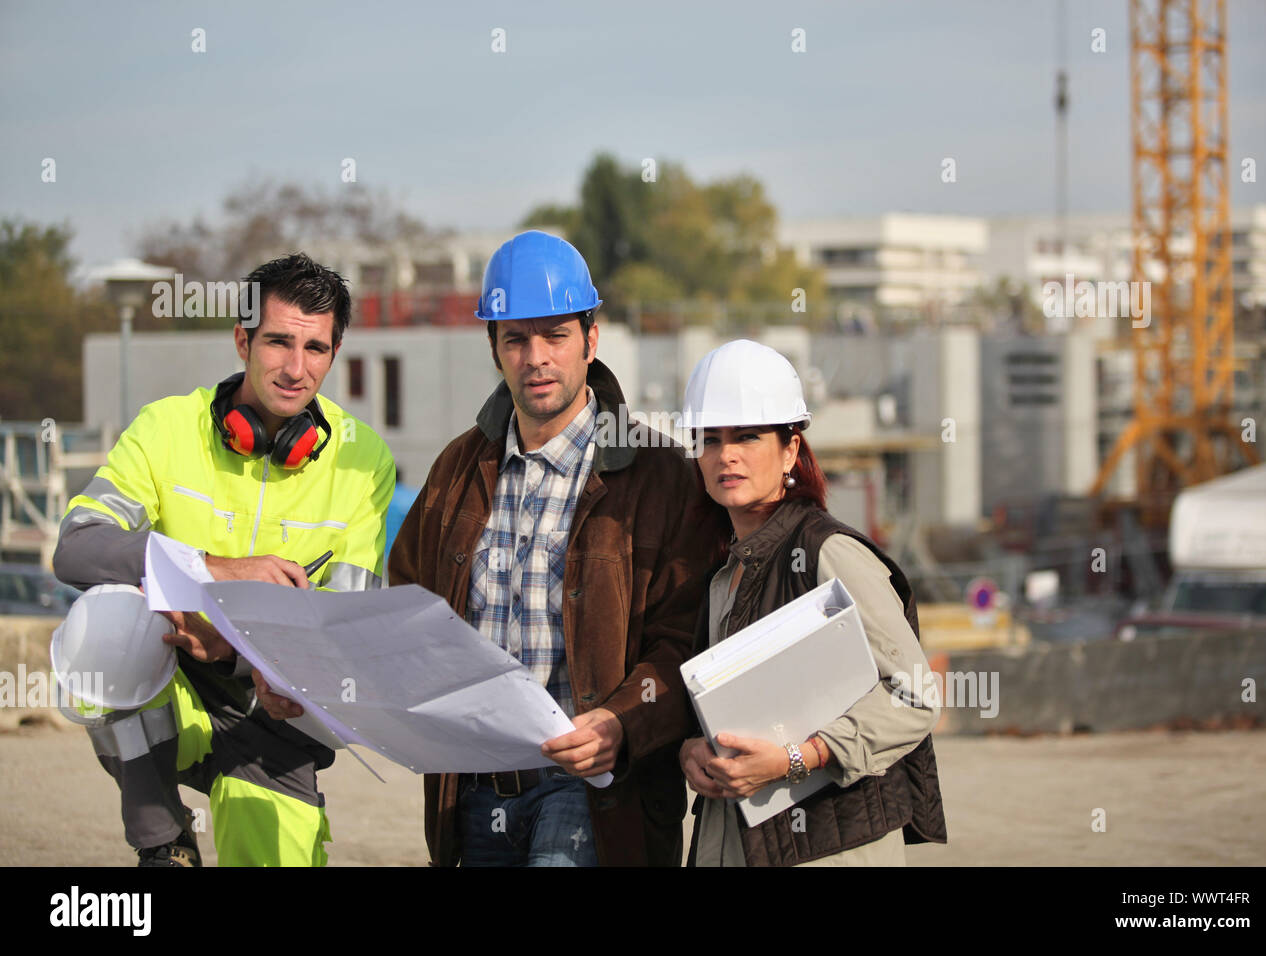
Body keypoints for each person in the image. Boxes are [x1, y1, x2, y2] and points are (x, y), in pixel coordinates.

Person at [53, 253, 396, 867]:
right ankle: (164, 844)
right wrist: (206, 567)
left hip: (278, 706)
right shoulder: (166, 427)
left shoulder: (363, 459)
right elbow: (77, 546)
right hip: (170, 687)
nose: (296, 369)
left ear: (334, 352)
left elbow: (345, 630)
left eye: (315, 348)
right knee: (101, 627)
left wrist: (236, 648)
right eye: (278, 342)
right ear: (242, 338)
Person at [388, 230, 713, 866]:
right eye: (515, 338)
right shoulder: (458, 469)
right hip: (473, 789)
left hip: (592, 790)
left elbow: (687, 642)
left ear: (591, 341)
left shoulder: (658, 473)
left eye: (555, 335)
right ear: (495, 348)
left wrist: (622, 723)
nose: (536, 357)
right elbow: (408, 607)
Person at [676, 339, 947, 866]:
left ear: (790, 451)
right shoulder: (720, 574)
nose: (725, 454)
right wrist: (691, 750)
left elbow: (914, 697)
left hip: (830, 847)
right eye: (709, 439)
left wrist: (798, 758)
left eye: (747, 436)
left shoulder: (829, 552)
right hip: (735, 845)